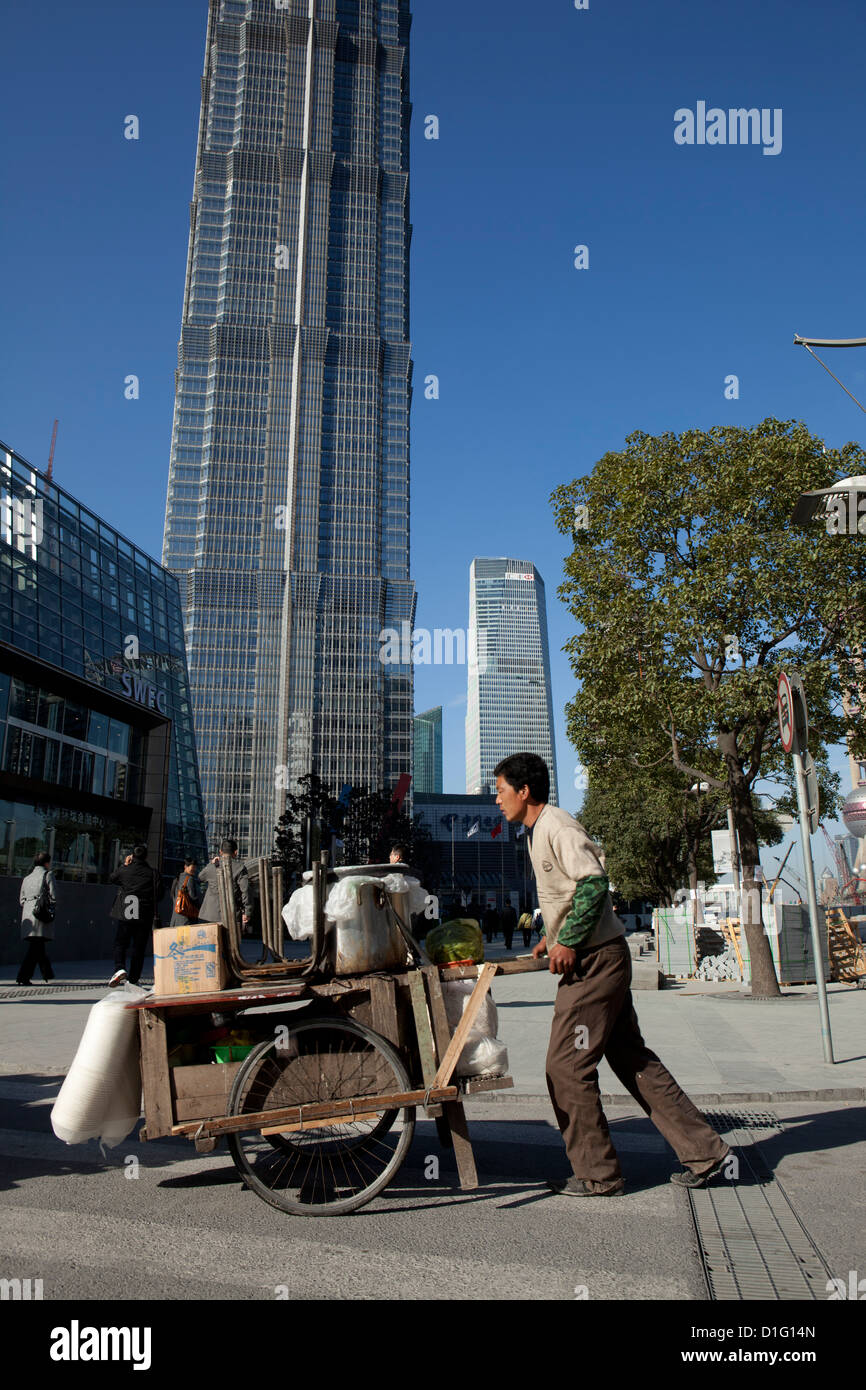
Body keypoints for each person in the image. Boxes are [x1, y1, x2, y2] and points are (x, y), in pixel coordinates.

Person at [494, 752, 730, 1198]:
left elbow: (593, 882)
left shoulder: (557, 825)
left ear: (524, 791)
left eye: (502, 790)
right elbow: (566, 892)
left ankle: (598, 1175)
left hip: (594, 965)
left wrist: (569, 941)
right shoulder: (536, 831)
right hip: (599, 956)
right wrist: (552, 934)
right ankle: (707, 1152)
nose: (497, 800)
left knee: (565, 1066)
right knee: (631, 1058)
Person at [108, 844, 162, 987]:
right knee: (139, 948)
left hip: (126, 912)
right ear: (146, 856)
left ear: (132, 856)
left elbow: (112, 878)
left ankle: (119, 968)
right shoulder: (153, 873)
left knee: (120, 943)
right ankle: (133, 978)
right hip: (144, 915)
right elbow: (160, 894)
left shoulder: (125, 870)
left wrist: (125, 865)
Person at [17, 852, 57, 985]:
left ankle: (47, 973)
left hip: (27, 916)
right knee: (36, 947)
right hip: (41, 915)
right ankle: (23, 976)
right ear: (46, 863)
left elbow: (21, 900)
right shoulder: (48, 875)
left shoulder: (27, 878)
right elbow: (53, 896)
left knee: (37, 946)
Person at [198, 839, 252, 928]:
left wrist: (211, 863)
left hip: (208, 915)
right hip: (230, 915)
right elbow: (245, 891)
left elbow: (200, 877)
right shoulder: (240, 868)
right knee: (229, 941)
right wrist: (247, 911)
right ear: (236, 852)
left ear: (220, 852)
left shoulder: (212, 866)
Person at [169, 857, 201, 927]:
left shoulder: (176, 878)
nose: (194, 870)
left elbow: (172, 895)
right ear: (185, 866)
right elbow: (193, 897)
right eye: (193, 867)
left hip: (175, 917)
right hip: (186, 917)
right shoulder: (190, 879)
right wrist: (200, 907)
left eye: (195, 868)